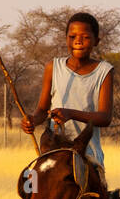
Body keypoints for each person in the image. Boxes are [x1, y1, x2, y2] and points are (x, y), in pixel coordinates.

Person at [21, 11, 115, 165]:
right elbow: (42, 110)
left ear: (96, 41)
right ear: (66, 39)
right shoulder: (53, 67)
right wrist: (32, 121)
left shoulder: (104, 71)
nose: (78, 42)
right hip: (54, 154)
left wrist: (71, 113)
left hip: (88, 155)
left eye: (85, 37)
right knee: (33, 184)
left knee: (94, 189)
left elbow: (105, 118)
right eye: (72, 37)